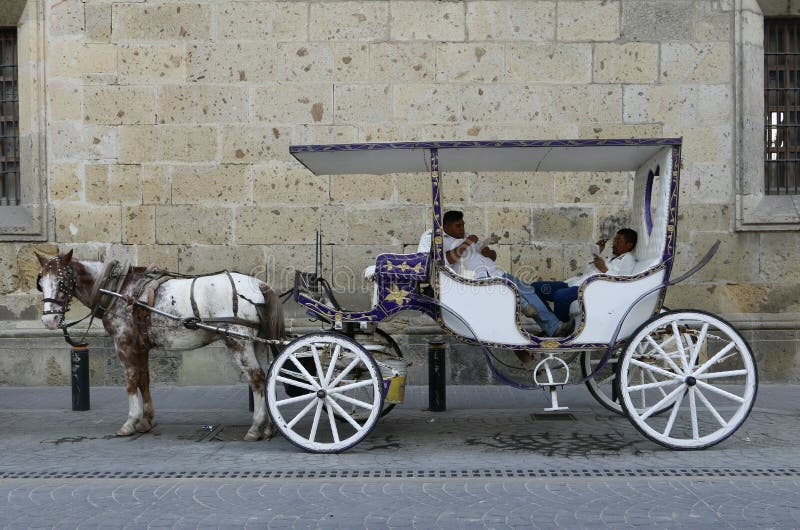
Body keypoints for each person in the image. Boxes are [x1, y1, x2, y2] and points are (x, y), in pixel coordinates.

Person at [441, 210, 571, 337]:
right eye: (458, 226)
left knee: (529, 289)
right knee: (510, 291)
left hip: (496, 271)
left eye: (463, 225)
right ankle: (523, 304)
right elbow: (449, 259)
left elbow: (492, 256)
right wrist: (467, 242)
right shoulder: (443, 241)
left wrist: (489, 253)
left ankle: (554, 327)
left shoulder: (467, 237)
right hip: (479, 279)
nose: (462, 228)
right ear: (447, 227)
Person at [531, 228, 638, 323]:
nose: (614, 243)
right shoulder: (610, 258)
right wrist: (597, 253)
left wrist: (604, 269)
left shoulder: (628, 259)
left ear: (629, 245)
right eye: (614, 240)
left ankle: (559, 329)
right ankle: (551, 325)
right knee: (536, 288)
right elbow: (587, 271)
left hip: (589, 289)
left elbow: (623, 283)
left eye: (618, 240)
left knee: (561, 295)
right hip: (573, 284)